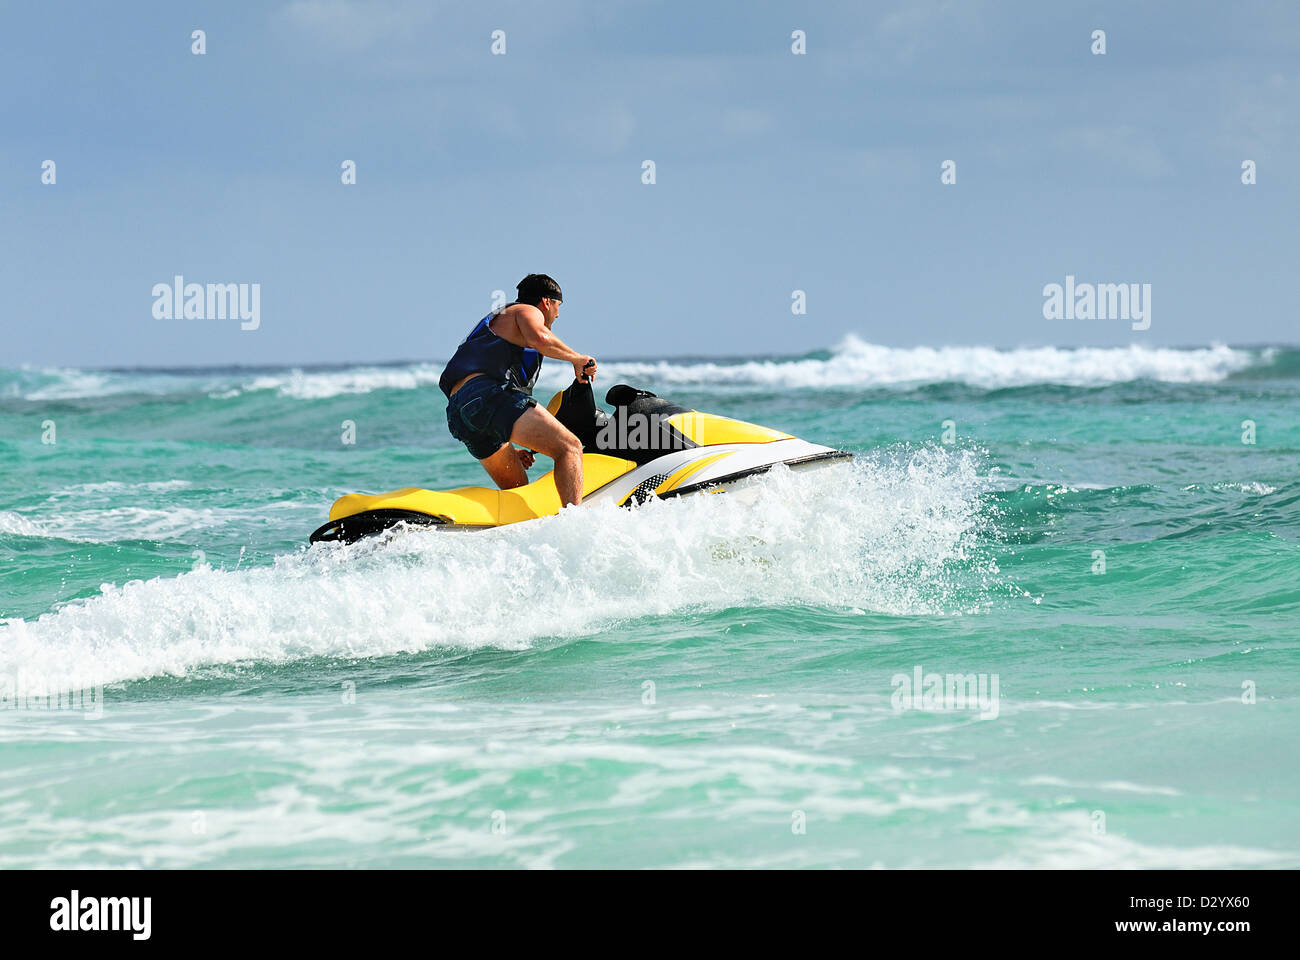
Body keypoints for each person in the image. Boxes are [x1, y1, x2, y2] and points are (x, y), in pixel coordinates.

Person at [439, 274, 598, 506]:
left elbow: (481, 405)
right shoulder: (526, 310)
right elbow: (540, 338)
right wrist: (577, 358)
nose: (558, 314)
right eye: (558, 306)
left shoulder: (500, 320)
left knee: (518, 489)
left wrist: (508, 440)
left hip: (461, 413)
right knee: (570, 448)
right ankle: (575, 524)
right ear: (546, 302)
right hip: (486, 396)